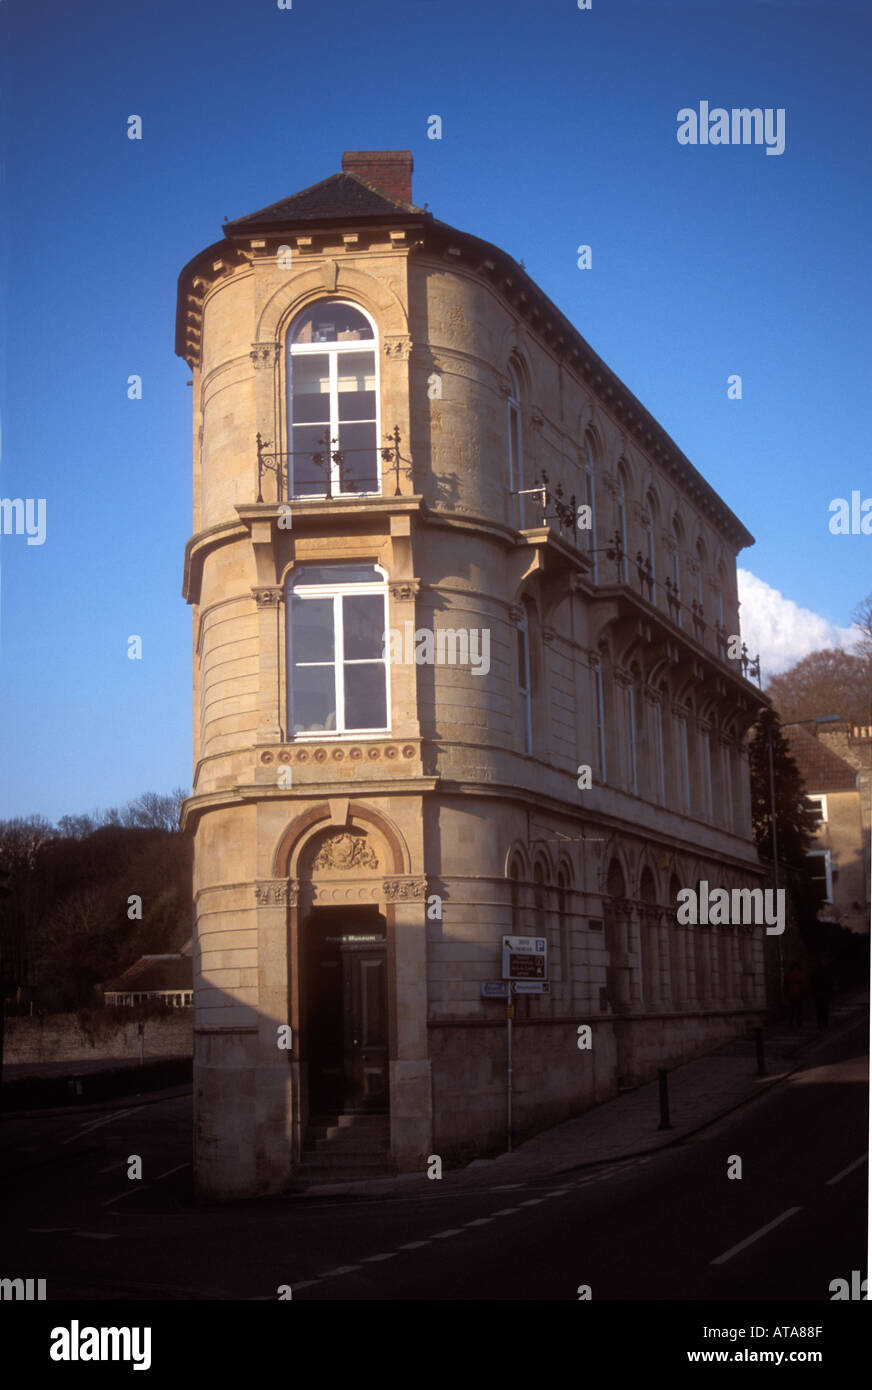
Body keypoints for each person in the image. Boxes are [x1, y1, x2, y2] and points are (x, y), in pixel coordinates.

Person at [809, 956, 833, 1028]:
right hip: (824, 993)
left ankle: (820, 1023)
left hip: (818, 993)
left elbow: (812, 983)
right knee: (824, 1009)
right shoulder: (826, 971)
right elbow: (829, 982)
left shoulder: (815, 972)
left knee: (819, 1009)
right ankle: (825, 1023)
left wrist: (813, 992)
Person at [783, 961, 806, 1027]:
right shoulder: (800, 974)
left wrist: (785, 994)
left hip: (791, 994)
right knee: (799, 1010)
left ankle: (790, 1023)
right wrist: (804, 994)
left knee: (791, 1010)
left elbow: (785, 985)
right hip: (799, 994)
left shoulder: (789, 974)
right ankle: (799, 1023)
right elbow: (803, 985)